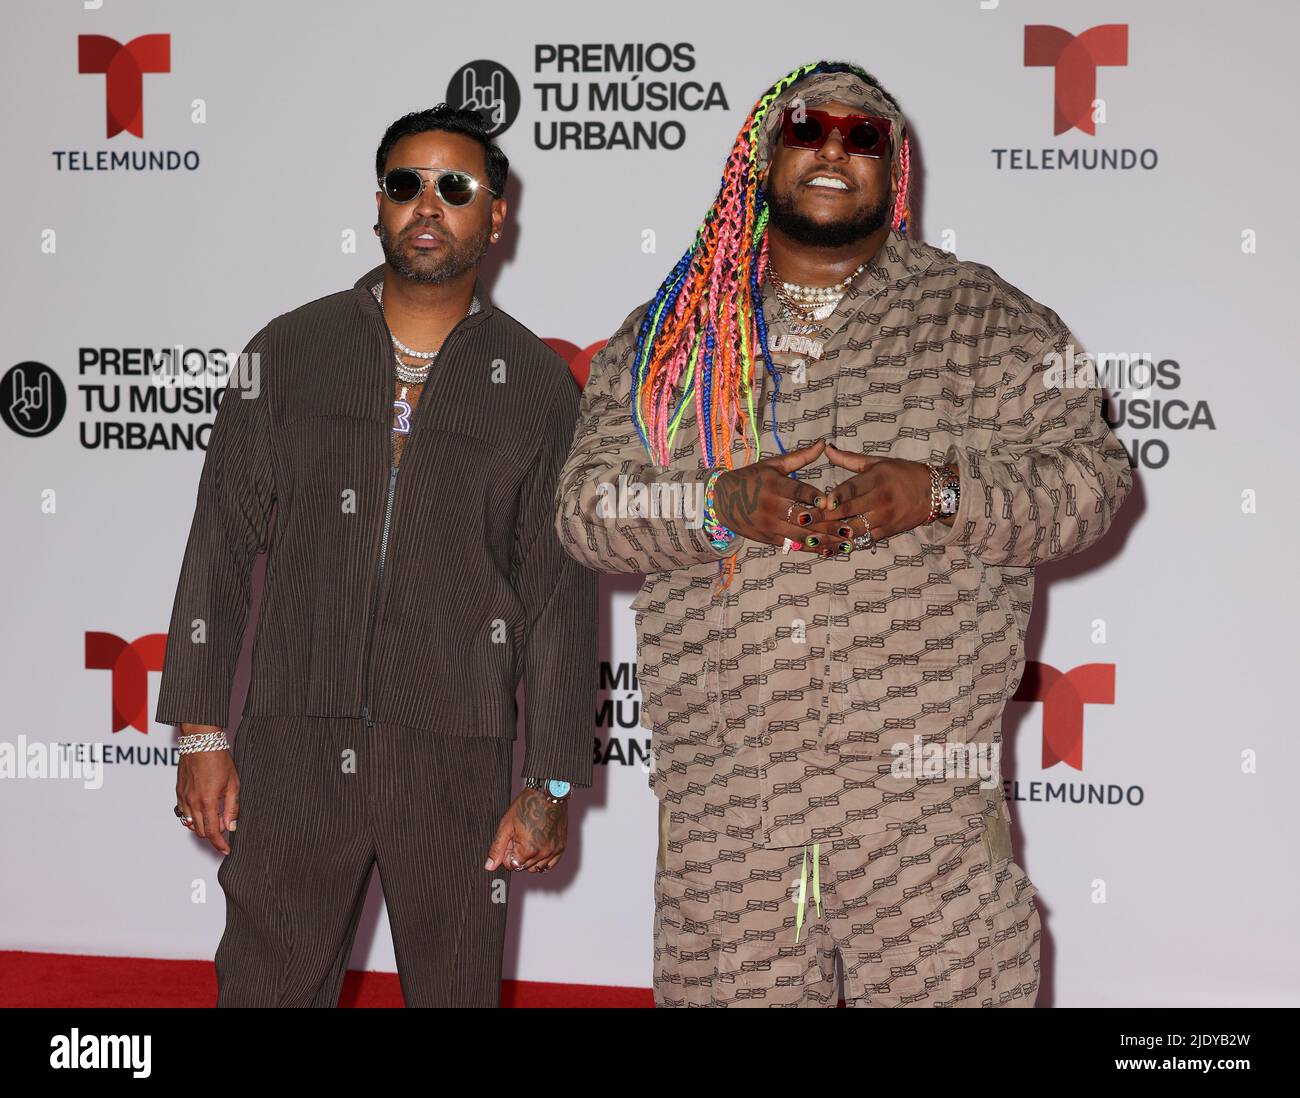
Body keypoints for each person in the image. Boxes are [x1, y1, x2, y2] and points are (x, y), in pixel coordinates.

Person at [555, 61, 1132, 1007]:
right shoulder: (674, 334)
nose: (832, 147)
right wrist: (712, 507)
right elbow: (585, 511)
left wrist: (945, 494)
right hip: (727, 816)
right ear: (763, 158)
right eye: (806, 128)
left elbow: (1092, 482)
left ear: (893, 167)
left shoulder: (987, 321)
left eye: (862, 135)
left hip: (919, 815)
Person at [156, 104, 597, 1007]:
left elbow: (557, 600)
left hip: (457, 755)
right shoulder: (287, 352)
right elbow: (219, 549)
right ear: (378, 205)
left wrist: (549, 777)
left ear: (495, 215)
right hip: (296, 743)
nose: (427, 205)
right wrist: (201, 727)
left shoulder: (539, 389)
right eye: (406, 184)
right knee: (263, 993)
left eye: (454, 187)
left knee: (454, 995)